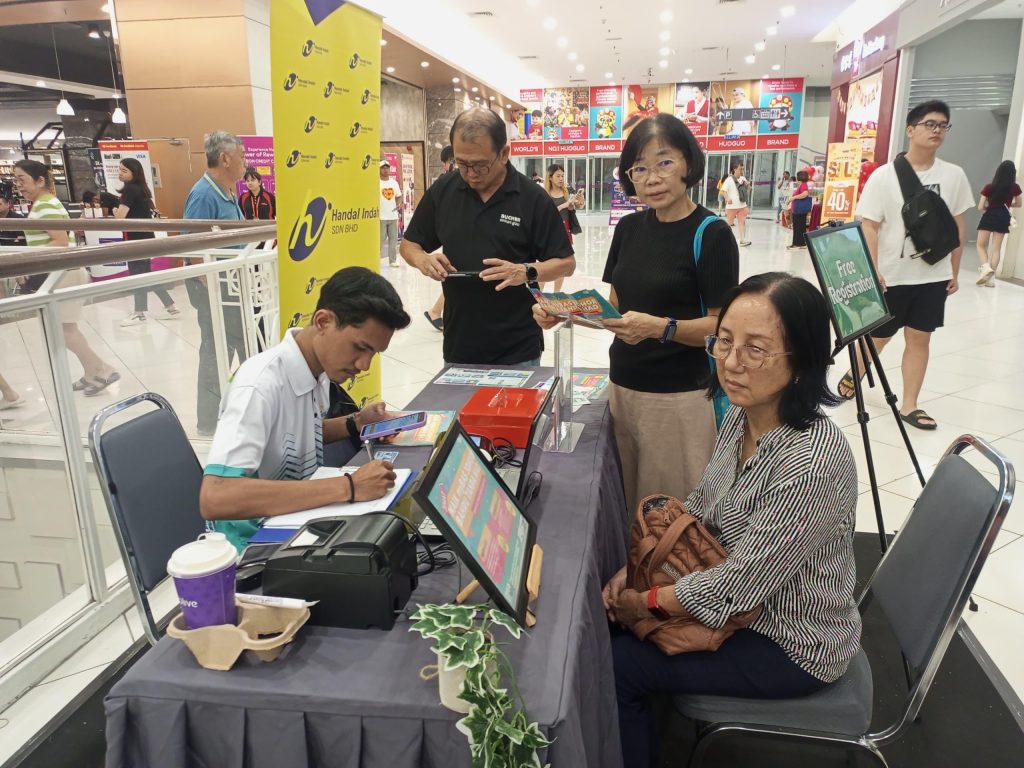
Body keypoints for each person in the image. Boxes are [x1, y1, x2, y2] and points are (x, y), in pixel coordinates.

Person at [605, 272, 859, 768]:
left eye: (756, 349)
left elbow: (735, 591)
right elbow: (700, 507)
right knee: (608, 619)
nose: (731, 363)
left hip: (789, 638)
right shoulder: (744, 416)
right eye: (724, 341)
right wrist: (632, 574)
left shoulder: (809, 461)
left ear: (804, 358)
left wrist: (645, 601)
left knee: (616, 665)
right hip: (739, 602)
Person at [535, 114, 738, 511]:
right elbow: (615, 308)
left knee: (667, 515)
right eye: (639, 168)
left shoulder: (711, 234)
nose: (652, 177)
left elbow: (722, 329)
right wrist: (566, 312)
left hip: (678, 396)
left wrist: (662, 328)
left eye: (664, 162)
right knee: (625, 504)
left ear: (688, 164)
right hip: (623, 388)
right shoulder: (628, 229)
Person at [200, 267, 411, 552]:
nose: (364, 365)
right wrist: (348, 487)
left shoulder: (317, 370)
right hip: (249, 549)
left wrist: (356, 422)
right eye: (360, 347)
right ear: (323, 321)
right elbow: (216, 497)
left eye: (373, 353)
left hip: (297, 525)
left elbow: (291, 436)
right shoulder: (258, 386)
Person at [401, 107, 575, 366]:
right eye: (462, 164)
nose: (471, 173)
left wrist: (525, 271)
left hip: (517, 348)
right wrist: (422, 260)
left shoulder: (532, 198)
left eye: (480, 165)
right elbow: (409, 245)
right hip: (459, 345)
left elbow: (566, 264)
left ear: (504, 153)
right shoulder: (444, 190)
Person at [840, 100, 973, 430]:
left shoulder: (954, 175)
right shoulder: (884, 177)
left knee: (920, 339)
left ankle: (910, 404)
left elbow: (957, 225)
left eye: (943, 125)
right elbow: (868, 224)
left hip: (933, 275)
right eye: (930, 124)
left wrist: (954, 271)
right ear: (910, 130)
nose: (937, 130)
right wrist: (874, 268)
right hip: (892, 276)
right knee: (879, 338)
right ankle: (854, 373)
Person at [13, 159, 120, 396]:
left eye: (22, 179)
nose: (18, 185)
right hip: (61, 273)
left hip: (64, 273)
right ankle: (93, 371)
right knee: (64, 329)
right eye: (16, 180)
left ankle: (102, 369)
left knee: (63, 330)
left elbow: (60, 241)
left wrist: (25, 260)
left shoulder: (46, 206)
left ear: (40, 180)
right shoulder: (43, 204)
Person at [183, 130, 249, 436]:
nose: (245, 162)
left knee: (242, 346)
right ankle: (208, 420)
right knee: (216, 349)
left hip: (232, 285)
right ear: (224, 157)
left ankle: (248, 406)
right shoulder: (204, 194)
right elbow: (194, 249)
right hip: (214, 287)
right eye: (242, 155)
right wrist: (213, 290)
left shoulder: (227, 191)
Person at [115, 157, 181, 326]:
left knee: (138, 275)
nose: (120, 173)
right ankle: (170, 307)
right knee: (146, 275)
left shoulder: (129, 190)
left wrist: (114, 208)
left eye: (124, 170)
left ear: (134, 173)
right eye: (120, 169)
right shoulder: (143, 190)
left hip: (136, 240)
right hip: (145, 238)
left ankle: (139, 313)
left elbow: (120, 217)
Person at [424, 146, 455, 333]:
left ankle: (435, 311)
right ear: (445, 163)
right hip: (453, 238)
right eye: (452, 161)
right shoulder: (444, 183)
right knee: (454, 277)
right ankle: (435, 311)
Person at [975, 160, 1021, 287]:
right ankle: (991, 279)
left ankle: (985, 268)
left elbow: (980, 206)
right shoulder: (1014, 187)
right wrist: (1007, 204)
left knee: (980, 244)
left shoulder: (989, 187)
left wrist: (988, 208)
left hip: (989, 215)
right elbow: (1019, 204)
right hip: (1003, 217)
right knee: (996, 249)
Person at [541, 162, 582, 293]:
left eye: (562, 176)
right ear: (550, 177)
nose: (561, 179)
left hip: (565, 230)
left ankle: (557, 293)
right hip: (548, 232)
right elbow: (545, 213)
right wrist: (565, 205)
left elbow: (575, 207)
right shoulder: (544, 194)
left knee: (562, 264)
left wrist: (578, 202)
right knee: (545, 265)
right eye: (558, 176)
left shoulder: (567, 191)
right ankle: (539, 294)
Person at [722, 161, 751, 246]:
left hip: (742, 205)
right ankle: (725, 240)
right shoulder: (729, 180)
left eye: (743, 169)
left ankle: (742, 240)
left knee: (742, 222)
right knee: (729, 224)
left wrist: (748, 186)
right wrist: (727, 198)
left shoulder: (743, 179)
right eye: (740, 169)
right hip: (732, 206)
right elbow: (723, 191)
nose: (742, 170)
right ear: (735, 169)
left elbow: (749, 189)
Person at [379, 161, 402, 267]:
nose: (385, 170)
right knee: (380, 240)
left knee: (393, 240)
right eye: (383, 168)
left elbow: (399, 196)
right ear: (379, 169)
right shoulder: (376, 182)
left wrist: (399, 203)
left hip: (393, 216)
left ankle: (392, 260)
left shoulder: (394, 183)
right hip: (381, 217)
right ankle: (376, 261)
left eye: (387, 168)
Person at [787, 169, 811, 250]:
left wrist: (793, 197)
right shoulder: (802, 185)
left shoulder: (803, 185)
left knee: (798, 227)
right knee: (800, 227)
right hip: (799, 210)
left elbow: (805, 194)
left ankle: (797, 243)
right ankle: (800, 243)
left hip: (799, 210)